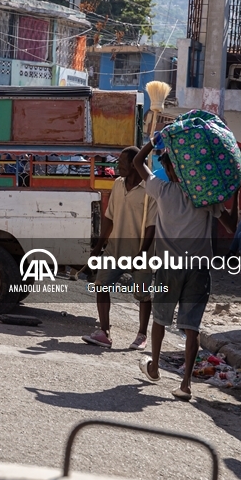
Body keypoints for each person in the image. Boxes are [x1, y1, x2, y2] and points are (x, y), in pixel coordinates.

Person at [132, 139, 238, 400]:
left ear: (169, 168)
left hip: (169, 266)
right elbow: (232, 226)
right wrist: (234, 194)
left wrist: (151, 143)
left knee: (160, 317)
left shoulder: (162, 189)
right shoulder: (205, 196)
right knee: (191, 327)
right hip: (199, 268)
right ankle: (186, 385)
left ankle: (154, 367)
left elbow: (137, 163)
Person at [82, 146, 157, 350]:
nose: (118, 165)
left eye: (122, 163)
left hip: (142, 250)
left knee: (143, 294)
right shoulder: (117, 184)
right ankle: (104, 332)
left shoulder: (150, 189)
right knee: (101, 285)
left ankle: (141, 335)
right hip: (115, 248)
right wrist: (98, 248)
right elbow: (109, 218)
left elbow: (151, 225)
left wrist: (142, 253)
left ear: (135, 165)